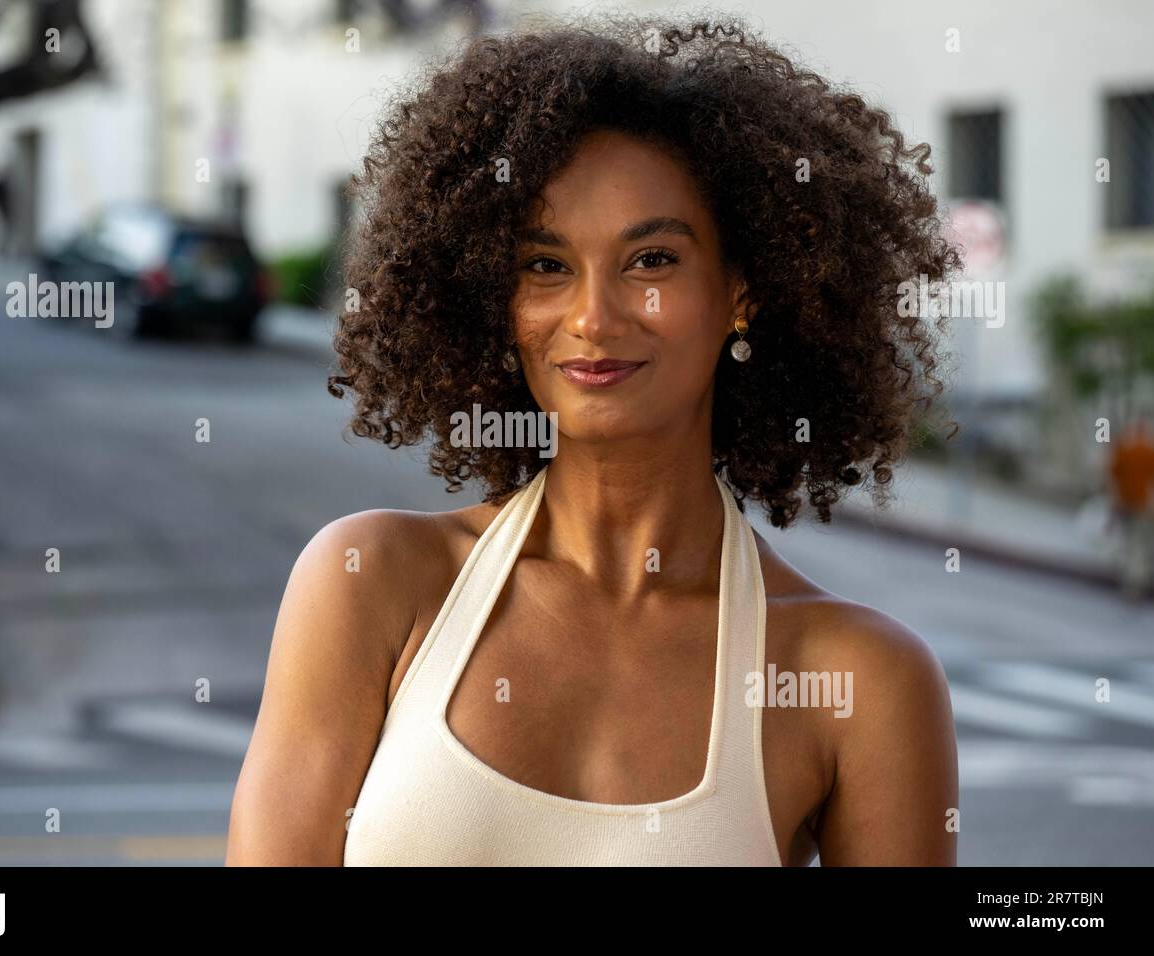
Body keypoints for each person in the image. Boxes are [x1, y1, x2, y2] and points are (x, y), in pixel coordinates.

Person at [227, 13, 960, 866]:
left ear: (742, 293)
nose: (592, 317)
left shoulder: (861, 681)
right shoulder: (370, 585)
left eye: (651, 260)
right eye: (545, 266)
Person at [1106, 419, 1154, 599]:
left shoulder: (1122, 450)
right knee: (1139, 543)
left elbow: (1113, 480)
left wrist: (1114, 504)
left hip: (1125, 504)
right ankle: (1136, 582)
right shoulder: (1149, 451)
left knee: (1128, 542)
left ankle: (1130, 581)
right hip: (1143, 505)